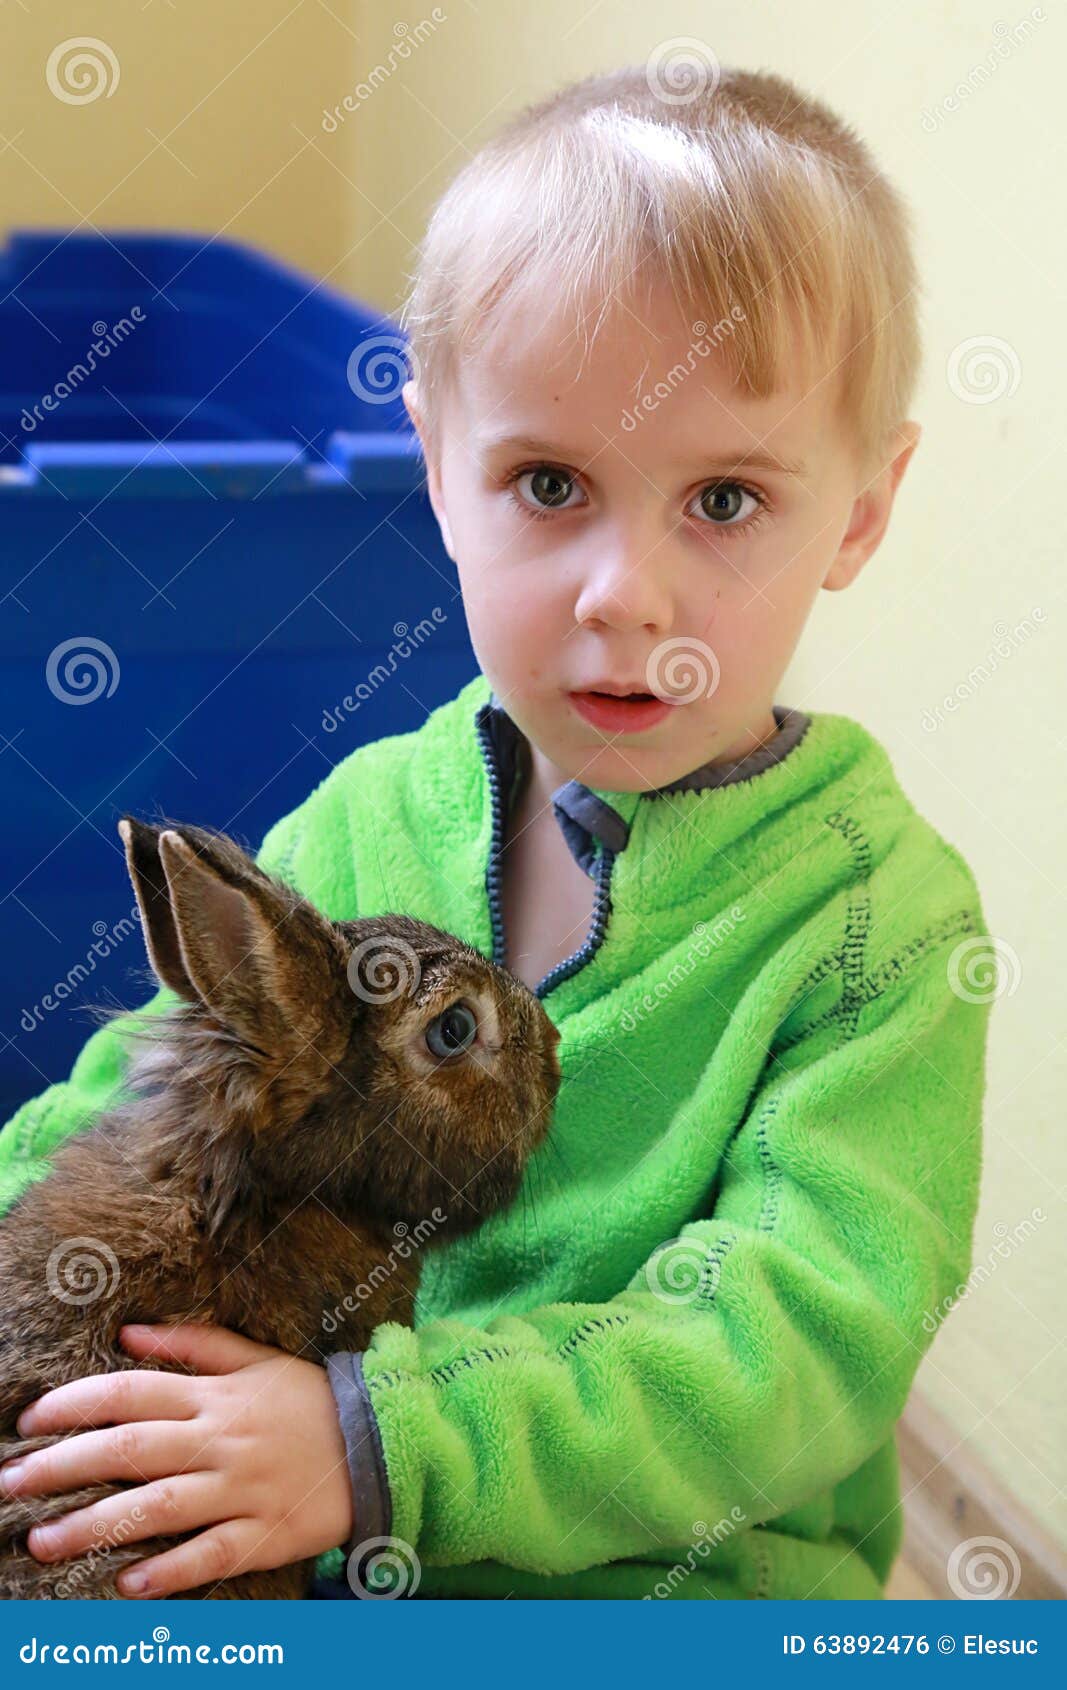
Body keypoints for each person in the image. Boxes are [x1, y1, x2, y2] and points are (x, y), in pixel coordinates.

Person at [0, 63, 993, 1601]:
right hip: (311, 1546)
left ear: (861, 510)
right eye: (549, 483)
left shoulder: (877, 926)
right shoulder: (372, 805)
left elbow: (791, 1340)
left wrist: (378, 1440)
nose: (625, 595)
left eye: (724, 500)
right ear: (442, 476)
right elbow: (145, 1088)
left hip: (665, 1596)